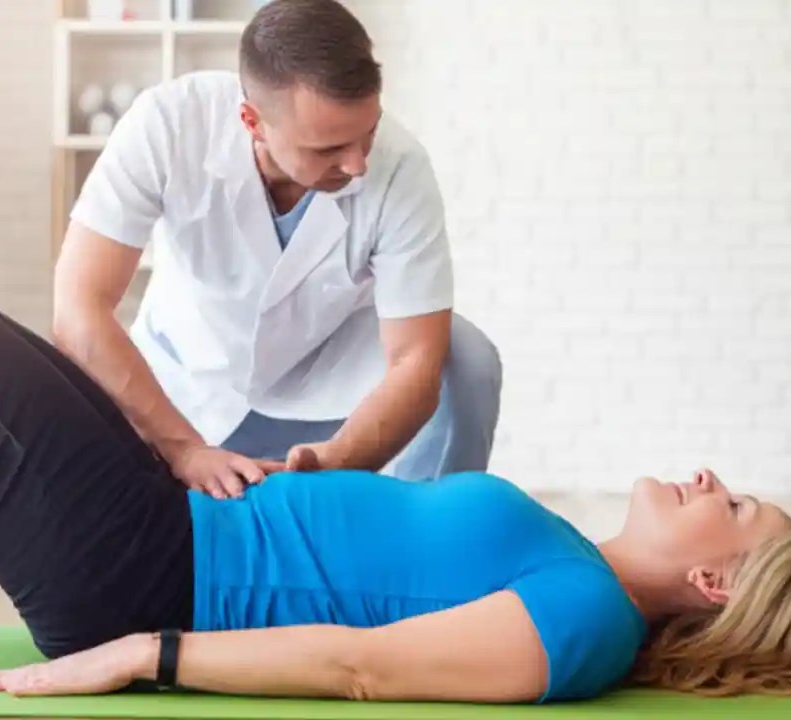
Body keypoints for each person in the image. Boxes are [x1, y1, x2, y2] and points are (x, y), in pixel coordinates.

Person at [0, 279, 791, 703]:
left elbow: (362, 667)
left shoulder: (581, 624)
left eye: (732, 502)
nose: (708, 479)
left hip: (150, 575)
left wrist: (136, 656)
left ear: (709, 581)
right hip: (183, 520)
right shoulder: (573, 569)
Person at [53, 0, 503, 501]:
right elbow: (77, 311)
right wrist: (183, 449)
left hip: (326, 384)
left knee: (467, 359)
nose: (357, 164)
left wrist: (341, 460)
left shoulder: (401, 168)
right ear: (252, 121)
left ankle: (426, 549)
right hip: (189, 382)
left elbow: (416, 360)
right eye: (328, 149)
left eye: (367, 133)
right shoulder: (168, 123)